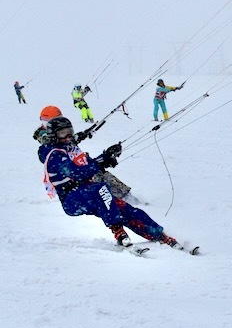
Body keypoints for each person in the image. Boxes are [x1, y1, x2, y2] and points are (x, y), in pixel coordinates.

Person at [38, 116, 180, 248]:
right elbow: (77, 173)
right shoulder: (54, 155)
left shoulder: (70, 149)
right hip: (72, 199)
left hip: (89, 194)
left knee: (124, 208)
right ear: (53, 136)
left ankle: (157, 234)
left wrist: (106, 157)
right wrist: (100, 163)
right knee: (101, 189)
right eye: (63, 133)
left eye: (70, 132)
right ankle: (118, 231)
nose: (68, 136)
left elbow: (89, 165)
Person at [34, 106, 141, 204]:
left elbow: (70, 145)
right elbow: (49, 152)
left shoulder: (61, 137)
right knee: (99, 176)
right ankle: (125, 201)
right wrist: (99, 162)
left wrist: (103, 157)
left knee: (101, 173)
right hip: (71, 185)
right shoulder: (48, 142)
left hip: (79, 171)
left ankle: (127, 199)